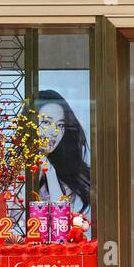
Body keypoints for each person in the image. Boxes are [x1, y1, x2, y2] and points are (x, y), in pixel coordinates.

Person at [35, 90, 92, 234]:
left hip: (57, 252)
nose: (55, 132)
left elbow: (61, 225)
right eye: (47, 122)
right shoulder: (12, 172)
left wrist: (51, 173)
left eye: (60, 125)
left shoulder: (67, 174)